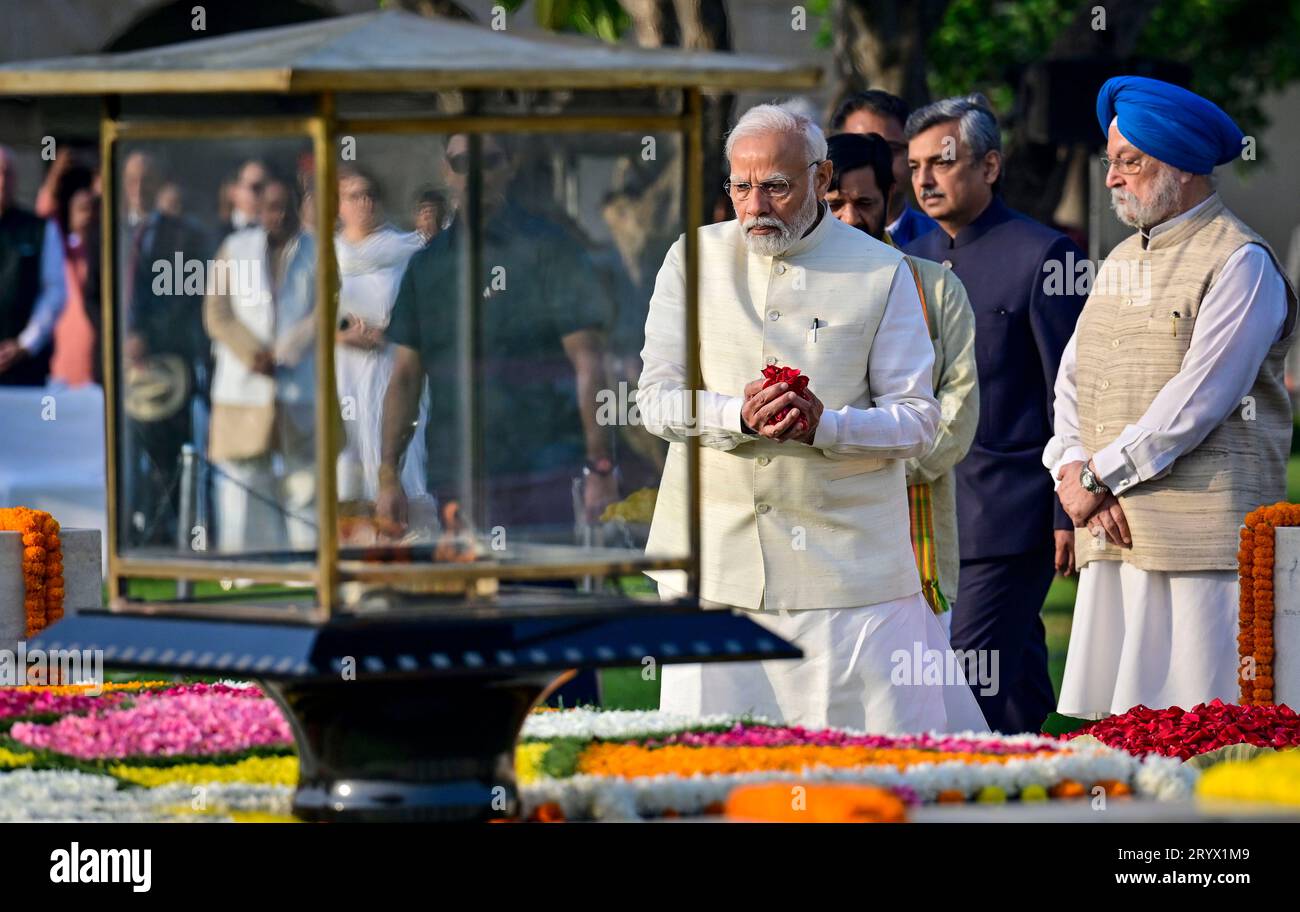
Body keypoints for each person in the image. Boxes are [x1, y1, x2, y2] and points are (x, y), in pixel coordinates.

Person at [641, 102, 987, 733]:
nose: (754, 206)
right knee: (711, 770)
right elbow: (656, 398)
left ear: (821, 179)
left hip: (849, 571)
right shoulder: (692, 258)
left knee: (866, 771)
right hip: (714, 563)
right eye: (740, 186)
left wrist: (827, 426)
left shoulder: (882, 270)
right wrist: (735, 416)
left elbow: (917, 420)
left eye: (775, 186)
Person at [1046, 76, 1297, 717]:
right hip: (1113, 528)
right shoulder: (1120, 259)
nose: (1111, 179)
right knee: (1118, 728)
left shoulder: (1241, 260)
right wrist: (1071, 467)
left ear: (1182, 166)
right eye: (1112, 162)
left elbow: (1199, 400)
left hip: (1202, 545)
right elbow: (1074, 378)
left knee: (1202, 725)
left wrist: (1099, 475)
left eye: (1130, 163)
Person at [904, 95, 1086, 734]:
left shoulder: (1046, 256)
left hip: (1009, 515)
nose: (925, 178)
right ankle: (1037, 774)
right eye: (916, 164)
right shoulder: (909, 259)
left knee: (961, 674)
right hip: (925, 512)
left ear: (989, 166)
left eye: (943, 162)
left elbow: (1071, 393)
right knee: (1007, 674)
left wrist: (1067, 511)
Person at [377, 134, 616, 538]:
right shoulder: (427, 266)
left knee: (545, 598)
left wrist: (601, 467)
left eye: (488, 160)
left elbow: (588, 361)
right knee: (467, 598)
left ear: (510, 165)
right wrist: (387, 475)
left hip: (541, 469)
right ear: (446, 170)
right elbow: (404, 376)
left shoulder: (550, 249)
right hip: (457, 472)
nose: (474, 174)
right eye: (461, 163)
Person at [824, 131, 979, 636]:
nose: (849, 217)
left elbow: (958, 407)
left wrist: (884, 462)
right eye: (834, 203)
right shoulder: (789, 288)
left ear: (889, 200)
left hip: (910, 515)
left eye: (864, 203)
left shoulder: (935, 287)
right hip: (816, 519)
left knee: (914, 693)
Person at [204, 175, 318, 554]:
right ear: (258, 210)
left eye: (286, 207)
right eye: (271, 208)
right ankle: (246, 567)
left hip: (299, 382)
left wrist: (289, 350)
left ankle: (308, 565)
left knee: (306, 478)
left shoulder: (317, 251)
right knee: (242, 475)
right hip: (243, 384)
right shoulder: (233, 248)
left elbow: (327, 308)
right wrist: (252, 353)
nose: (279, 216)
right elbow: (216, 312)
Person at [118, 150, 211, 546]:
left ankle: (172, 530)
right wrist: (120, 335)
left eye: (147, 179)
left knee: (168, 452)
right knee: (123, 453)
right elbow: (93, 293)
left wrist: (146, 337)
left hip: (166, 367)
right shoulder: (112, 231)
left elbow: (187, 296)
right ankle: (128, 529)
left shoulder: (183, 234)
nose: (140, 188)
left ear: (159, 185)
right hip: (115, 366)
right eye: (133, 179)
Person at [333, 166, 427, 504]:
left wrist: (391, 331)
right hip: (342, 374)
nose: (364, 203)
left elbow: (421, 307)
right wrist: (339, 334)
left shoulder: (407, 250)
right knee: (346, 468)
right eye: (353, 196)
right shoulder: (324, 256)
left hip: (390, 369)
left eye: (370, 194)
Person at [831, 90, 940, 246]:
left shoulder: (940, 241)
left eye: (890, 149)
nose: (877, 160)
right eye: (859, 150)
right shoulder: (805, 248)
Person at [0, 146, 67, 386]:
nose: (1, 181)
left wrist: (25, 343)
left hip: (26, 371)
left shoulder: (40, 229)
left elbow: (55, 291)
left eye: (7, 173)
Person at [49, 174, 101, 389]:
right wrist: (55, 176)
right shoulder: (60, 250)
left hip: (97, 360)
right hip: (65, 364)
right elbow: (46, 214)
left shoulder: (107, 254)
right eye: (81, 208)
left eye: (92, 209)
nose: (87, 215)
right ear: (70, 214)